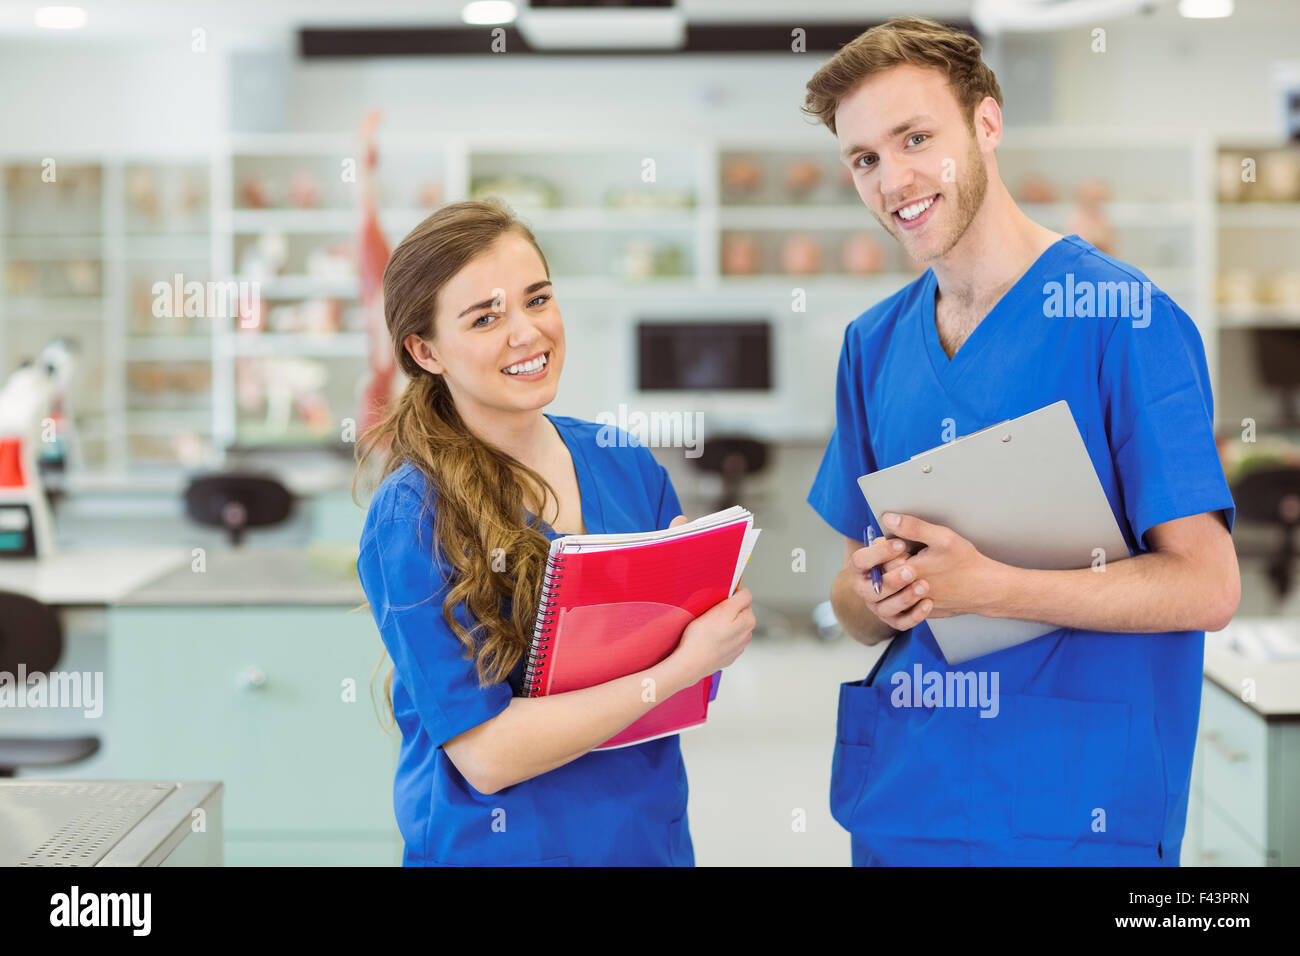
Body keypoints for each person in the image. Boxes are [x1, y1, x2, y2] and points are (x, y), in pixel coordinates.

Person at [802, 18, 1239, 865]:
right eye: (865, 159)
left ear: (988, 126)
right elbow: (855, 604)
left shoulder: (1124, 322)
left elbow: (1208, 586)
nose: (894, 180)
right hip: (910, 796)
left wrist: (995, 587)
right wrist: (869, 596)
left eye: (916, 138)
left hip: (1077, 807)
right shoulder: (874, 344)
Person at [354, 199, 754, 866]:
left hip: (644, 840)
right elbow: (486, 754)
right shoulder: (412, 517)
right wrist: (684, 659)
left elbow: (687, 688)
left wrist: (709, 610)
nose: (527, 332)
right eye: (485, 317)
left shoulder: (625, 465)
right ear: (425, 351)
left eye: (537, 299)